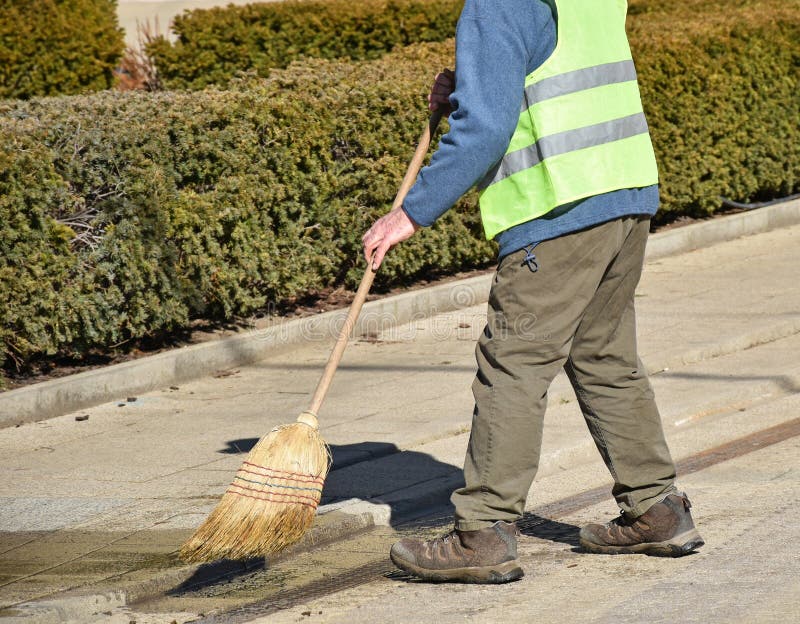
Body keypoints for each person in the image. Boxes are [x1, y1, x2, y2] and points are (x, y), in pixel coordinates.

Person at [362, 0, 704, 584]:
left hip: (558, 207)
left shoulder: (496, 4)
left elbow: (487, 128)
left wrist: (411, 214)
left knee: (514, 364)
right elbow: (545, 76)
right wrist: (474, 87)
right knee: (604, 357)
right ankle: (656, 509)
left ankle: (484, 532)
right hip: (624, 192)